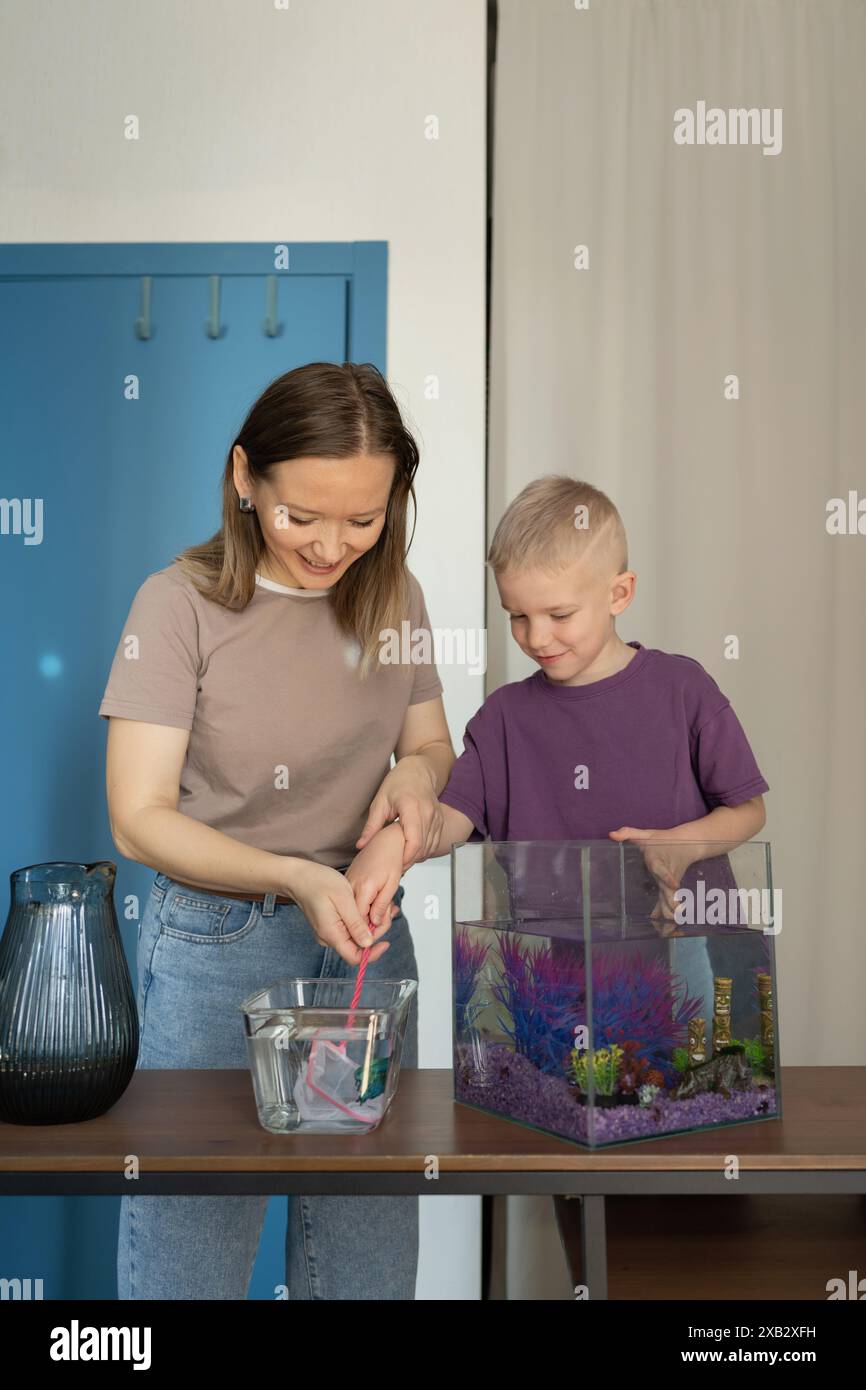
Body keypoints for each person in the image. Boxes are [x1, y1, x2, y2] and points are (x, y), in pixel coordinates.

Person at [99, 361, 454, 1300]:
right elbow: (138, 821)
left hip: (370, 944)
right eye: (303, 514)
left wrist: (409, 798)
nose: (332, 545)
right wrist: (299, 877)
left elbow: (429, 746)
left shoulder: (396, 598)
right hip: (220, 943)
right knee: (192, 1246)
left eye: (363, 519)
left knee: (367, 1254)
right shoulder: (176, 606)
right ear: (244, 476)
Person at [346, 474, 771, 1023]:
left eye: (559, 615)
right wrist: (394, 845)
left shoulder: (683, 690)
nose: (537, 637)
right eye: (518, 616)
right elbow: (452, 816)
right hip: (563, 969)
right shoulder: (504, 717)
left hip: (692, 951)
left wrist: (683, 845)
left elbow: (748, 808)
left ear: (619, 593)